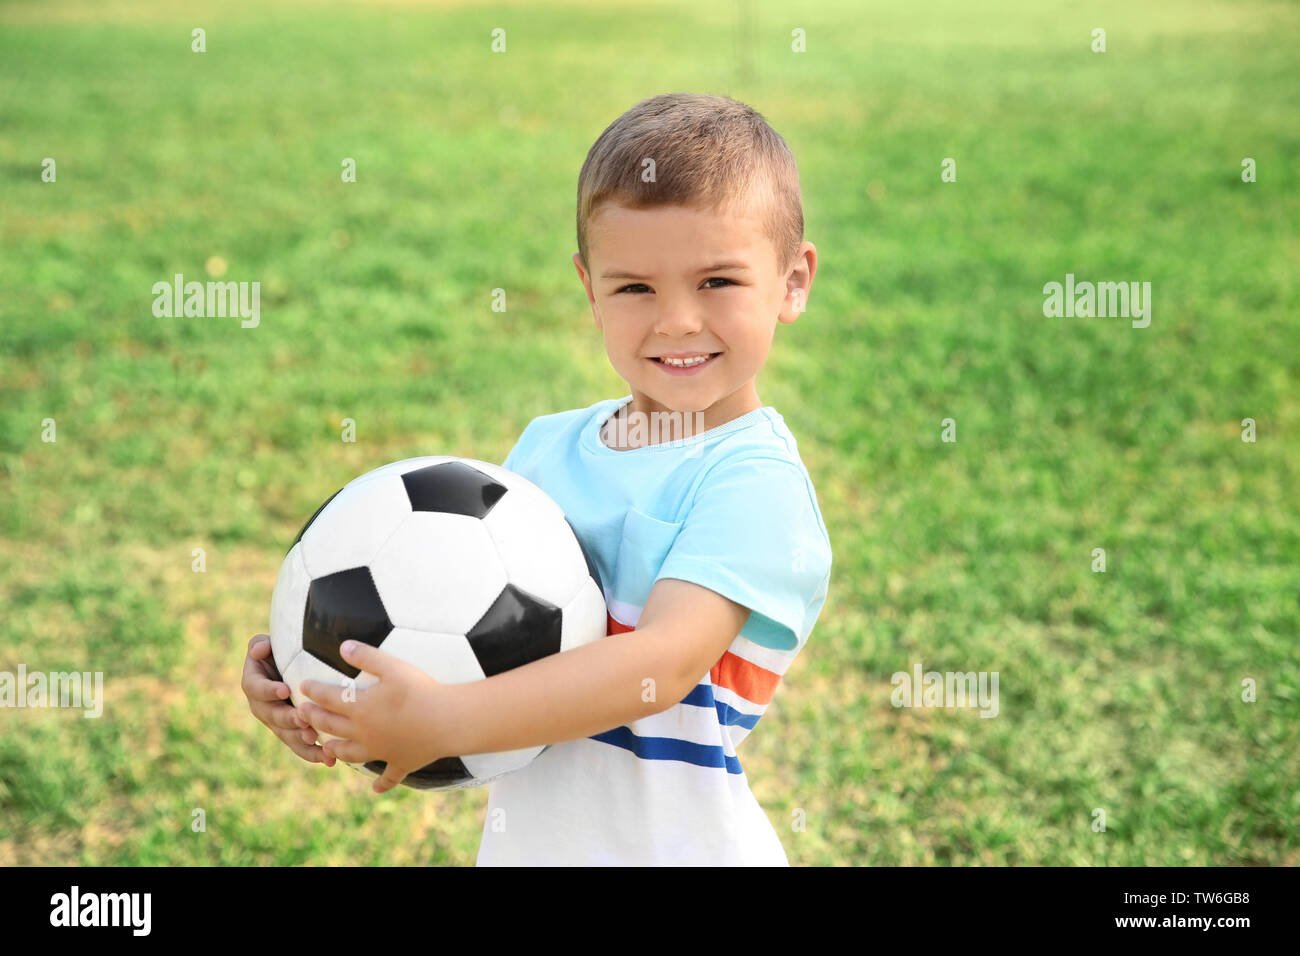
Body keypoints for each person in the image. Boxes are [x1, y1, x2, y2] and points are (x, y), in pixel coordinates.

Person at [242, 92, 832, 865]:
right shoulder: (548, 449)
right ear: (590, 290)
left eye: (718, 282)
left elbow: (660, 664)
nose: (679, 320)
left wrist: (448, 720)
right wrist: (312, 681)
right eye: (635, 287)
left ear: (793, 281)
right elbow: (452, 626)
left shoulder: (753, 483)